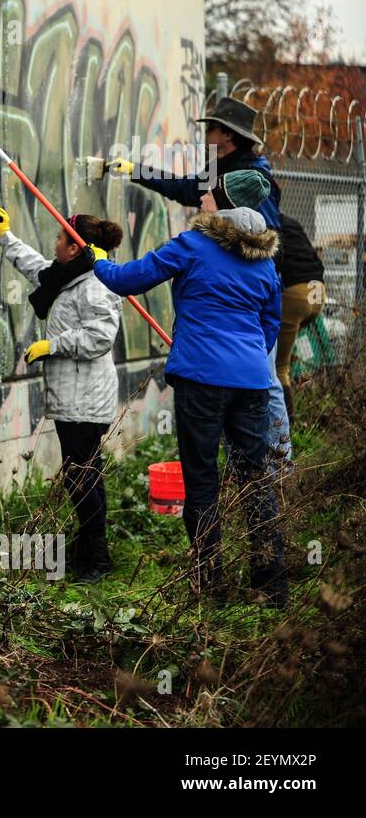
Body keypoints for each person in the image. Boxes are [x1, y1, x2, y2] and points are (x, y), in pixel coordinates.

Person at [91, 169, 287, 607]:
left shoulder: (193, 244)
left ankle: (210, 587)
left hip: (202, 379)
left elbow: (126, 281)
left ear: (222, 201)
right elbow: (269, 325)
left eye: (209, 194)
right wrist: (247, 358)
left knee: (201, 482)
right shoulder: (265, 259)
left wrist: (96, 260)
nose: (202, 199)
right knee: (255, 479)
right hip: (253, 381)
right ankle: (272, 590)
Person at [110, 96, 290, 465]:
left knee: (266, 381)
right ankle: (256, 467)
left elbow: (266, 236)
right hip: (230, 286)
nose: (204, 133)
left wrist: (236, 262)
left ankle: (278, 460)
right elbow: (186, 189)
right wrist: (137, 170)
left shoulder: (254, 175)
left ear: (227, 135)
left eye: (211, 128)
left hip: (249, 291)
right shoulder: (217, 168)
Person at [0, 205, 125, 582]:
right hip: (76, 396)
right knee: (85, 472)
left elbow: (100, 336)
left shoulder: (94, 284)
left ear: (74, 247)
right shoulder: (70, 275)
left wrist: (53, 345)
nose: (54, 242)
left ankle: (97, 560)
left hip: (85, 398)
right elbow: (38, 269)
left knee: (80, 475)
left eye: (59, 238)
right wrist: (6, 237)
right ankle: (91, 553)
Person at [271, 211, 324, 427]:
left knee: (278, 367)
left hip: (296, 294)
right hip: (318, 291)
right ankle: (304, 392)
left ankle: (287, 427)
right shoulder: (291, 221)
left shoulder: (268, 224)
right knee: (288, 351)